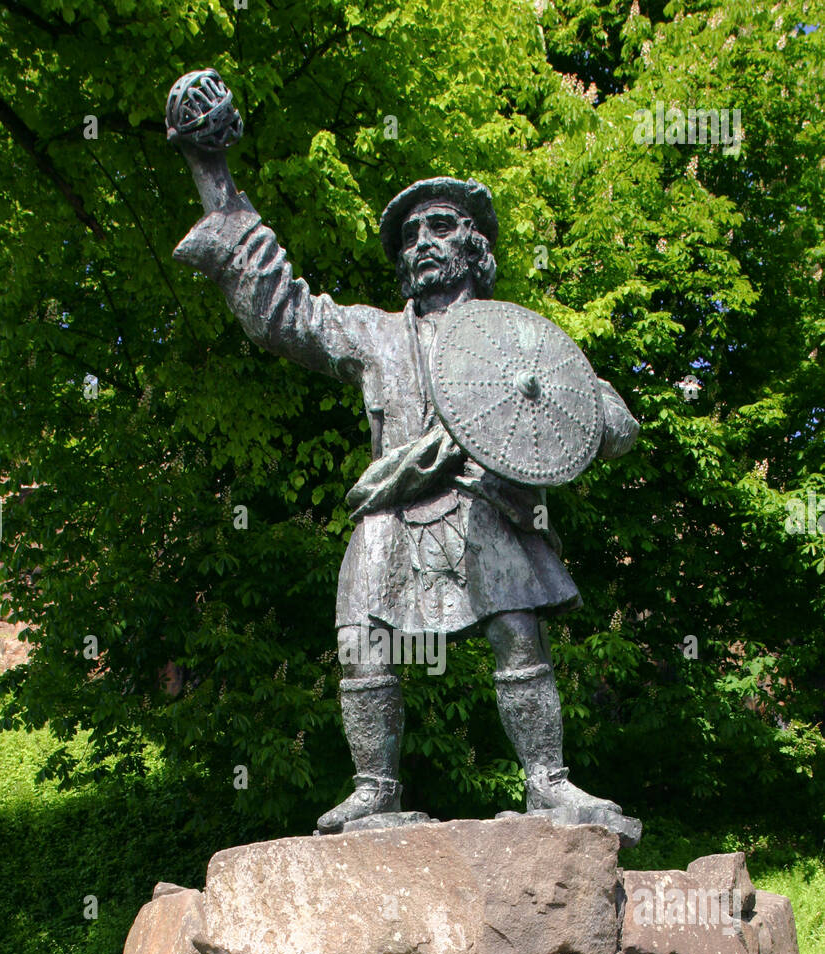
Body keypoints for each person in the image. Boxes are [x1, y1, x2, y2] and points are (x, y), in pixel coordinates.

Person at [173, 172, 639, 835]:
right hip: (392, 504)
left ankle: (549, 782)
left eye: (441, 226)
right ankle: (374, 790)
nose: (423, 241)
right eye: (411, 234)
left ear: (474, 245)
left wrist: (582, 418)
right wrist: (223, 199)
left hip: (487, 503)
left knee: (517, 633)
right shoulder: (374, 334)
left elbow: (605, 416)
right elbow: (287, 314)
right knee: (363, 639)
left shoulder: (517, 339)